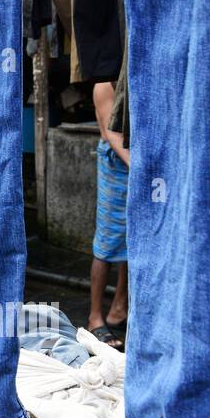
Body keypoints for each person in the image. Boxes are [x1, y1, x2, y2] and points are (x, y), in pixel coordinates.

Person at [88, 79, 129, 349]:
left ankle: (120, 306)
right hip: (118, 165)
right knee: (107, 242)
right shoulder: (103, 86)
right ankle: (95, 317)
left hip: (136, 160)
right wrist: (139, 164)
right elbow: (112, 134)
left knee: (132, 240)